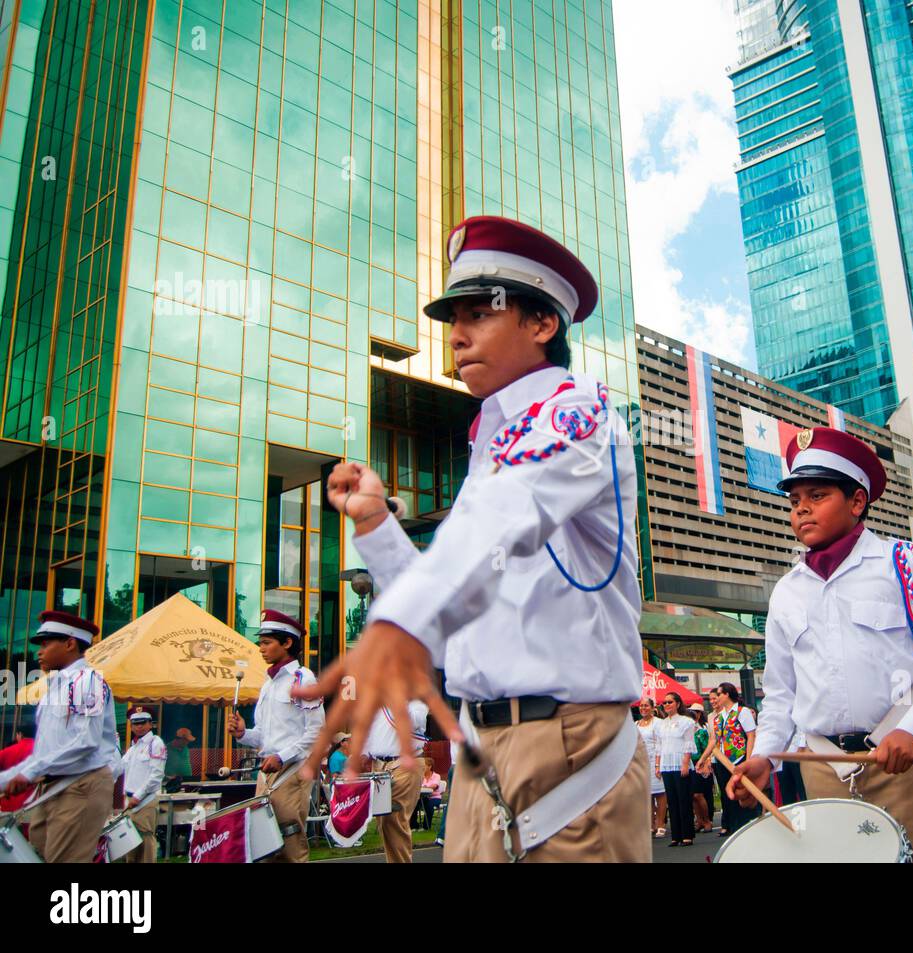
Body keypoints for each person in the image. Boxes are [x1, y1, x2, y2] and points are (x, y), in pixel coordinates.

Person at [296, 215, 650, 863]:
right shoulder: (495, 445)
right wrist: (377, 526)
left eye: (478, 314)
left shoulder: (580, 409)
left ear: (542, 323)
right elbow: (454, 605)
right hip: (479, 747)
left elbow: (500, 517)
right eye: (451, 318)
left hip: (568, 741)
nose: (455, 336)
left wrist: (393, 625)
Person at [728, 428, 913, 863]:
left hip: (901, 764)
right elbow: (781, 694)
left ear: (857, 502)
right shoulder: (786, 592)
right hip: (823, 770)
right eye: (794, 500)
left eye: (818, 495)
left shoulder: (905, 563)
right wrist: (764, 757)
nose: (802, 507)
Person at [0, 611, 122, 862]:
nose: (39, 652)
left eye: (46, 644)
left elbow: (85, 741)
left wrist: (30, 773)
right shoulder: (57, 686)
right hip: (55, 784)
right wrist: (9, 778)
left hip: (82, 783)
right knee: (37, 853)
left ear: (69, 643)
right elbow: (44, 753)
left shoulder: (88, 681)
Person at [227, 609, 324, 863]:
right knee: (267, 848)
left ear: (288, 643)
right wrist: (242, 733)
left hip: (292, 772)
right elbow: (263, 735)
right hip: (266, 773)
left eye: (267, 643)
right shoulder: (268, 684)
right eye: (261, 643)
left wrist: (281, 757)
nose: (261, 649)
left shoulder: (303, 678)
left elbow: (315, 732)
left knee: (290, 848)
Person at [361, 701, 430, 863]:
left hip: (406, 763)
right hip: (378, 765)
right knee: (385, 822)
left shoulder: (415, 699)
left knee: (394, 819)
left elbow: (414, 722)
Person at [696, 682, 758, 836]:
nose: (717, 698)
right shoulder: (718, 717)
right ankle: (733, 827)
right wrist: (702, 759)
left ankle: (745, 826)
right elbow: (713, 741)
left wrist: (748, 759)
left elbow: (751, 736)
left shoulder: (742, 712)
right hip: (723, 761)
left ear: (727, 695)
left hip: (739, 758)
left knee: (741, 793)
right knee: (727, 794)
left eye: (719, 694)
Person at [120, 708, 167, 863]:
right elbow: (120, 769)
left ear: (150, 724)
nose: (139, 727)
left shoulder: (155, 743)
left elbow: (156, 776)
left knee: (145, 842)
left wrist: (138, 796)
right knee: (130, 844)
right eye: (135, 724)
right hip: (129, 800)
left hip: (145, 800)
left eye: (142, 723)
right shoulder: (133, 748)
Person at [657, 692, 698, 846]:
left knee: (684, 799)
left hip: (680, 763)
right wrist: (658, 765)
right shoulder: (661, 723)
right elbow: (659, 746)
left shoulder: (686, 722)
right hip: (666, 764)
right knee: (672, 801)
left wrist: (686, 763)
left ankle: (687, 834)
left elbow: (688, 743)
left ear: (678, 704)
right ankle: (676, 835)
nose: (666, 705)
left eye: (669, 702)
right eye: (664, 703)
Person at [636, 699, 667, 836]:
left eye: (646, 706)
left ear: (652, 708)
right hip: (641, 762)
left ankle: (661, 823)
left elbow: (661, 743)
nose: (643, 708)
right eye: (641, 706)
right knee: (646, 794)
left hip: (656, 759)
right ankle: (651, 823)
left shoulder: (658, 723)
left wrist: (658, 764)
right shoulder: (636, 724)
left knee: (659, 793)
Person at [0, 719, 35, 813]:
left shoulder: (7, 751)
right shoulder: (42, 751)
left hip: (8, 804)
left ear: (20, 734)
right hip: (33, 804)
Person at [688, 703, 713, 833]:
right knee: (693, 795)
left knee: (699, 794)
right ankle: (700, 821)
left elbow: (707, 749)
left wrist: (705, 762)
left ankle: (707, 820)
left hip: (700, 763)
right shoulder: (686, 731)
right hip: (689, 763)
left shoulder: (701, 731)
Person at [163, 727, 194, 791]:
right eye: (186, 740)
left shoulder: (186, 749)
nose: (187, 742)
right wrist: (167, 777)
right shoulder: (165, 750)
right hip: (169, 785)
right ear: (179, 739)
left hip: (185, 784)